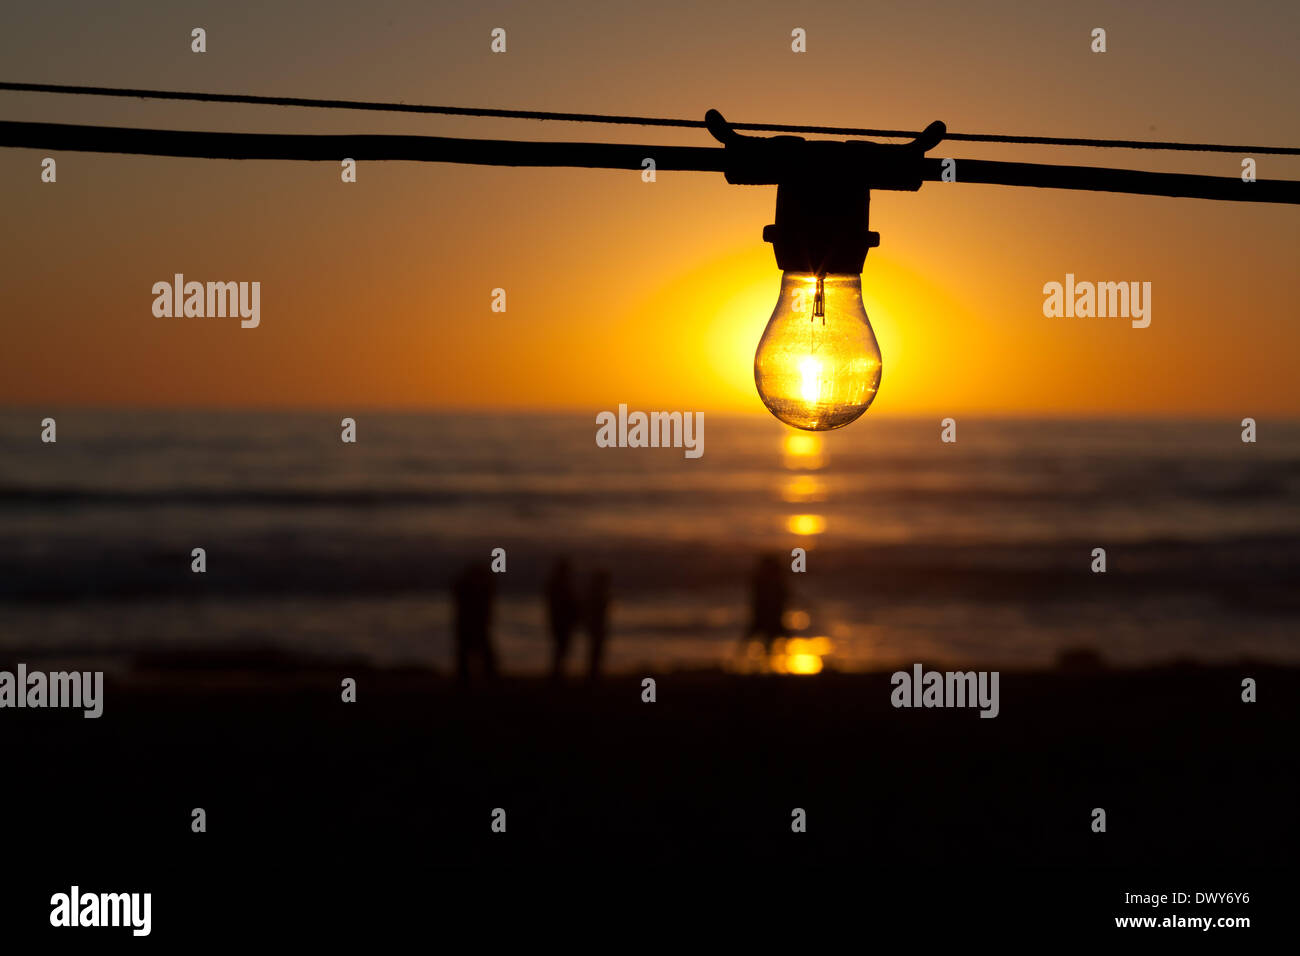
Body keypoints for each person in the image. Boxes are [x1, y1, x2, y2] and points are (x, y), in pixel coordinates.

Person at [452, 562, 497, 680]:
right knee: (476, 654)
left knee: (468, 655)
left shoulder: (465, 587)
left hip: (470, 626)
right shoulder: (478, 588)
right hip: (473, 626)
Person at [744, 552, 788, 654]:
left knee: (755, 637)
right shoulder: (773, 581)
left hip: (767, 616)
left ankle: (736, 662)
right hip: (767, 616)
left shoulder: (760, 580)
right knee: (771, 638)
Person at [545, 557, 580, 679]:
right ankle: (557, 675)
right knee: (562, 649)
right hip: (561, 622)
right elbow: (567, 604)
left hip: (559, 621)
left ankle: (557, 674)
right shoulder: (560, 585)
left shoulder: (555, 585)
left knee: (561, 649)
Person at [585, 569, 612, 679]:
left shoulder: (596, 592)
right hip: (597, 627)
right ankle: (593, 676)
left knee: (596, 652)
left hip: (597, 627)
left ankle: (594, 675)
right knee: (596, 652)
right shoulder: (597, 593)